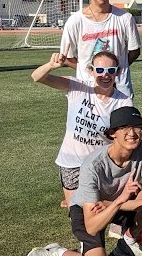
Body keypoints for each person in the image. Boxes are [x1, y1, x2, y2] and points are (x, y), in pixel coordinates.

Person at [24, 107, 142, 256]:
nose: (132, 133)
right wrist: (118, 202)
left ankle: (128, 243)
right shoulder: (93, 165)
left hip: (113, 203)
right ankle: (58, 252)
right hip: (87, 209)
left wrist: (114, 204)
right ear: (113, 133)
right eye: (124, 128)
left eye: (138, 127)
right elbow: (92, 227)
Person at [32, 51, 133, 208]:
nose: (105, 75)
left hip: (101, 164)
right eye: (99, 70)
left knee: (99, 209)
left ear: (118, 72)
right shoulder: (77, 87)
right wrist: (51, 66)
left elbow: (125, 138)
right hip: (71, 162)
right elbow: (37, 77)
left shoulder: (123, 101)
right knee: (77, 213)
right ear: (90, 71)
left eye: (111, 71)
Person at [59, 0, 140, 96]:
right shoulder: (75, 21)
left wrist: (114, 70)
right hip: (87, 90)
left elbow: (134, 51)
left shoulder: (125, 18)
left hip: (120, 89)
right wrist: (91, 71)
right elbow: (67, 57)